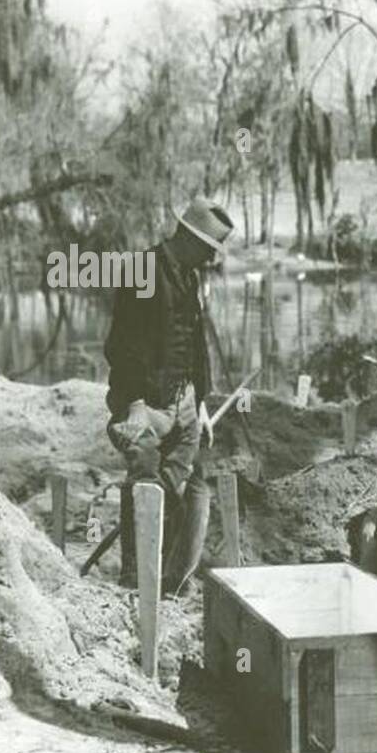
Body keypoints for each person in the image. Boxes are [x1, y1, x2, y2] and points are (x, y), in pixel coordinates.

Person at [104, 196, 234, 597]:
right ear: (192, 240)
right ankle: (135, 581)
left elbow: (194, 345)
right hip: (146, 405)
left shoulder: (190, 276)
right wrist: (136, 406)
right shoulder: (142, 270)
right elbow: (122, 346)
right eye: (210, 250)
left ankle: (172, 582)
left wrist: (202, 406)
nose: (212, 258)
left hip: (185, 403)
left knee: (189, 489)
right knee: (145, 486)